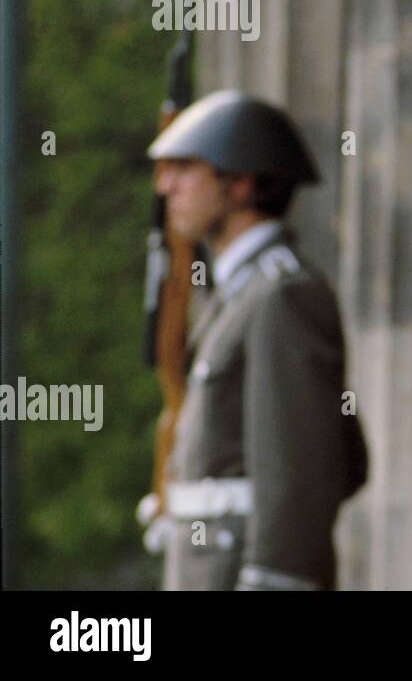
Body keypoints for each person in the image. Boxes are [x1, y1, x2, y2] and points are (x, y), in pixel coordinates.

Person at [141, 89, 367, 590]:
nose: (165, 186)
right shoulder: (238, 297)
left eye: (184, 167)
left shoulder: (282, 296)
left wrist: (277, 578)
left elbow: (306, 474)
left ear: (241, 181)